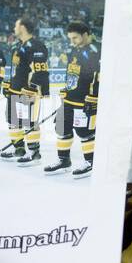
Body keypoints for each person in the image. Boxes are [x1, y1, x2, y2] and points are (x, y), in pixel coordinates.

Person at [46, 21, 99, 178]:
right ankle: (63, 160)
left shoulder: (97, 51)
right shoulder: (75, 50)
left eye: (75, 38)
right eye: (70, 38)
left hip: (85, 101)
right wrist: (66, 90)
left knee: (85, 133)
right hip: (69, 99)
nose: (71, 41)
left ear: (85, 35)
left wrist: (94, 97)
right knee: (61, 129)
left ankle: (90, 162)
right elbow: (72, 75)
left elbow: (99, 78)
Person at [1, 17, 50, 166]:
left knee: (29, 121)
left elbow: (41, 70)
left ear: (22, 27)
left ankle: (34, 154)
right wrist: (8, 83)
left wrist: (32, 87)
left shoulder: (37, 46)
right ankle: (19, 149)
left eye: (16, 25)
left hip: (27, 91)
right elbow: (17, 69)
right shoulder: (18, 46)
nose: (14, 28)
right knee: (12, 119)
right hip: (15, 89)